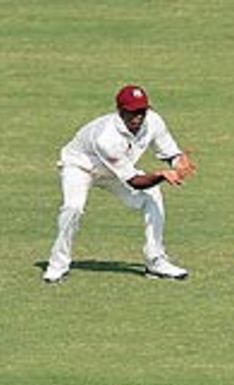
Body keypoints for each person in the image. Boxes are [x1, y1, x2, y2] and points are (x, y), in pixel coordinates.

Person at [43, 85, 193, 284]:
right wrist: (161, 176)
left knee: (153, 196)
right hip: (80, 167)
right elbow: (135, 182)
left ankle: (155, 260)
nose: (138, 117)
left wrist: (178, 162)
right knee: (73, 208)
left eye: (141, 111)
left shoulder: (153, 121)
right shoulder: (106, 137)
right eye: (132, 112)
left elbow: (169, 152)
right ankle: (57, 265)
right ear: (120, 111)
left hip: (115, 170)